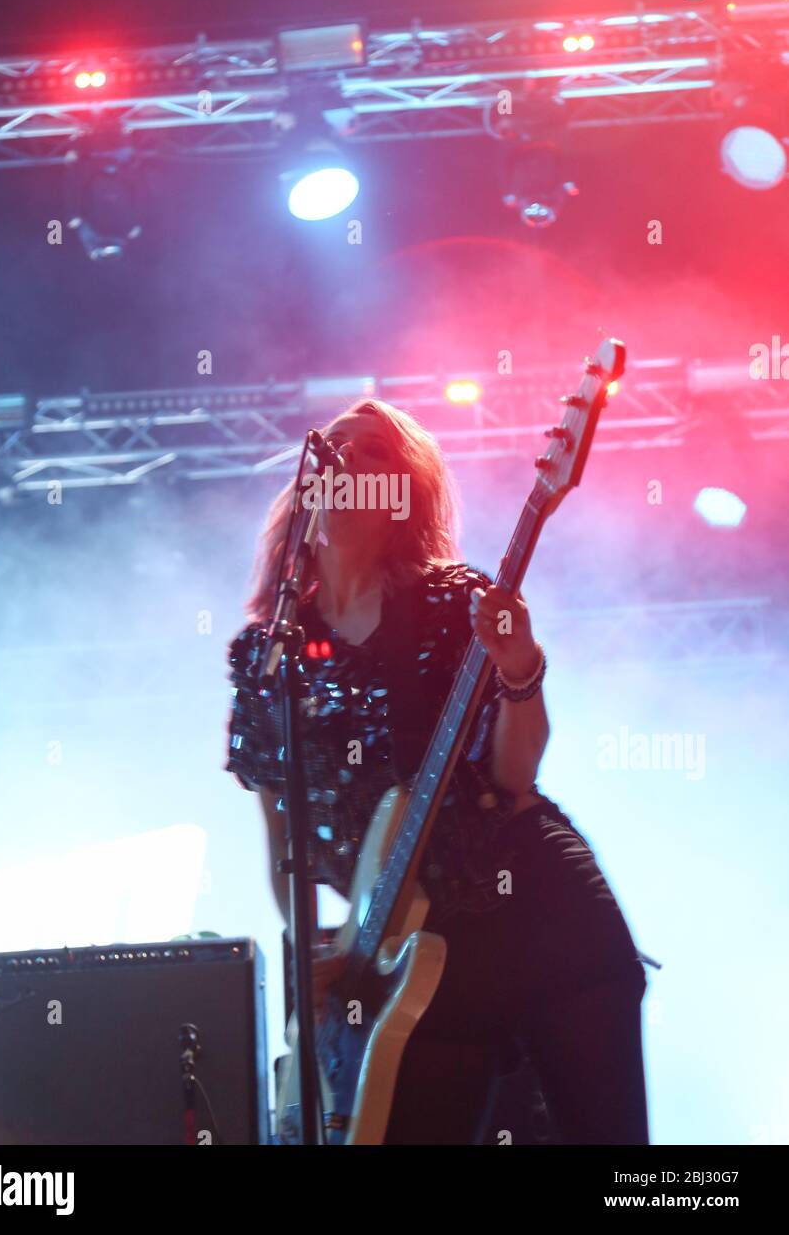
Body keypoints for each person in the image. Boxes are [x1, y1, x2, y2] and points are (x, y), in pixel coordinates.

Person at [224, 397, 649, 1145]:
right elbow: (283, 844)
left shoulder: (456, 601)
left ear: (404, 497)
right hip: (404, 960)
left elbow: (514, 777)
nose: (349, 458)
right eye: (335, 445)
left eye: (376, 453)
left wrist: (521, 671)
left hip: (537, 912)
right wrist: (324, 948)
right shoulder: (270, 652)